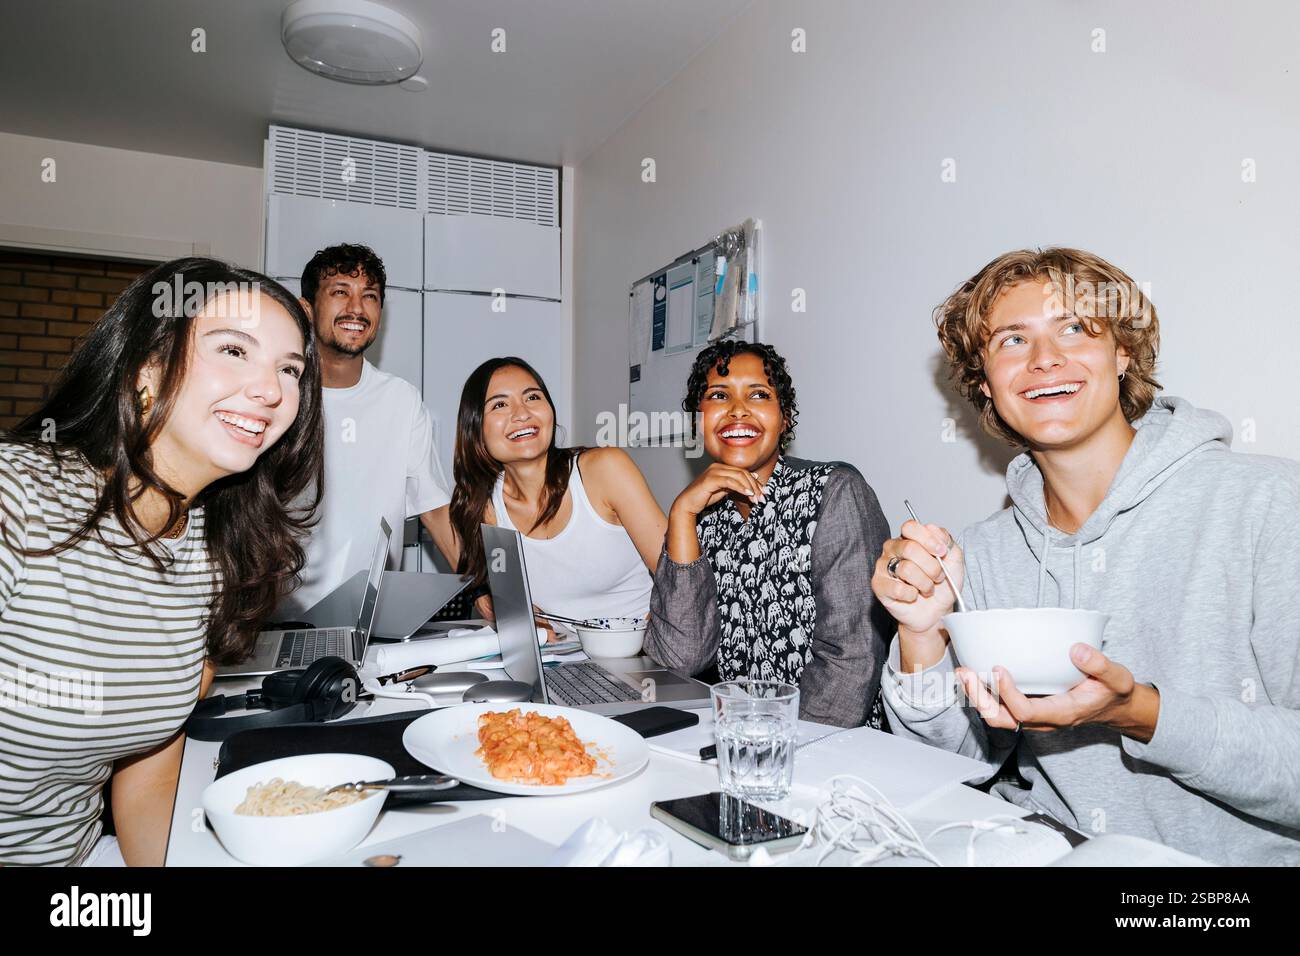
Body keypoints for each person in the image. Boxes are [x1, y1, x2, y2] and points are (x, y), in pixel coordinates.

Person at [872, 246, 1300, 865]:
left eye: (1074, 327)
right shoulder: (984, 552)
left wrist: (1142, 714)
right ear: (986, 382)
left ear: (1123, 352)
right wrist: (923, 637)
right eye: (1012, 340)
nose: (1045, 359)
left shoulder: (1269, 504)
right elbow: (949, 769)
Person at [0, 258, 323, 866]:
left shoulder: (214, 554)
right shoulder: (17, 498)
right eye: (234, 349)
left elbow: (148, 771)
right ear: (147, 367)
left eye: (289, 369)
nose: (272, 390)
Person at [644, 341, 892, 728]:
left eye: (759, 395)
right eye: (718, 395)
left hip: (830, 746)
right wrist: (681, 515)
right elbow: (680, 659)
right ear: (698, 420)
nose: (738, 410)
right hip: (739, 739)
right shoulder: (702, 516)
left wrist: (785, 750)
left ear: (785, 418)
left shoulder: (833, 492)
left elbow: (852, 657)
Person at [428, 357, 665, 625]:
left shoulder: (604, 470)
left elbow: (681, 581)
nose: (522, 413)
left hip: (644, 654)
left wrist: (647, 641)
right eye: (500, 404)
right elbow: (512, 603)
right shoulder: (485, 509)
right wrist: (526, 621)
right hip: (563, 661)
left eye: (532, 397)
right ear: (476, 429)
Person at [279, 244, 450, 615]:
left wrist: (490, 590)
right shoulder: (276, 393)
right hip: (276, 622)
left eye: (369, 296)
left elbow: (435, 508)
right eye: (340, 292)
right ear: (306, 309)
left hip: (372, 625)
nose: (356, 308)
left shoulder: (402, 400)